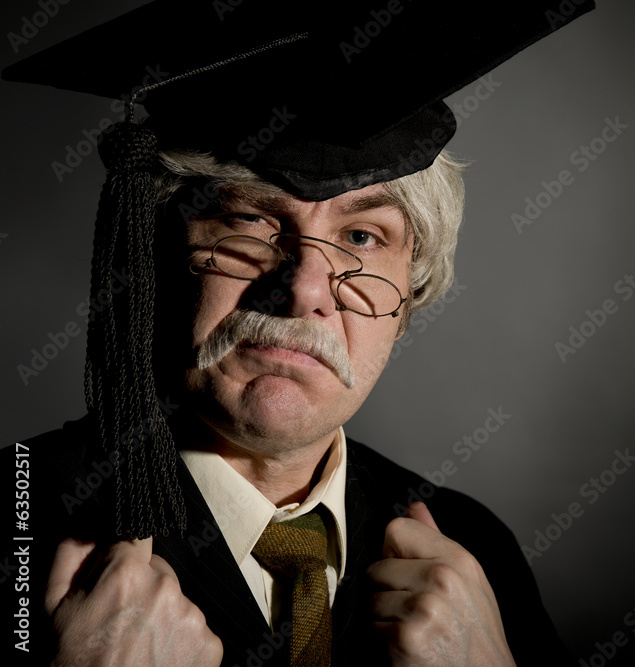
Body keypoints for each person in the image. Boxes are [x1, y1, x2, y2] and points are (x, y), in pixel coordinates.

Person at [4, 1, 595, 664]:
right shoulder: (20, 520)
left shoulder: (472, 545)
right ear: (153, 262)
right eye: (250, 224)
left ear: (409, 303)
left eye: (362, 237)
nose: (305, 288)